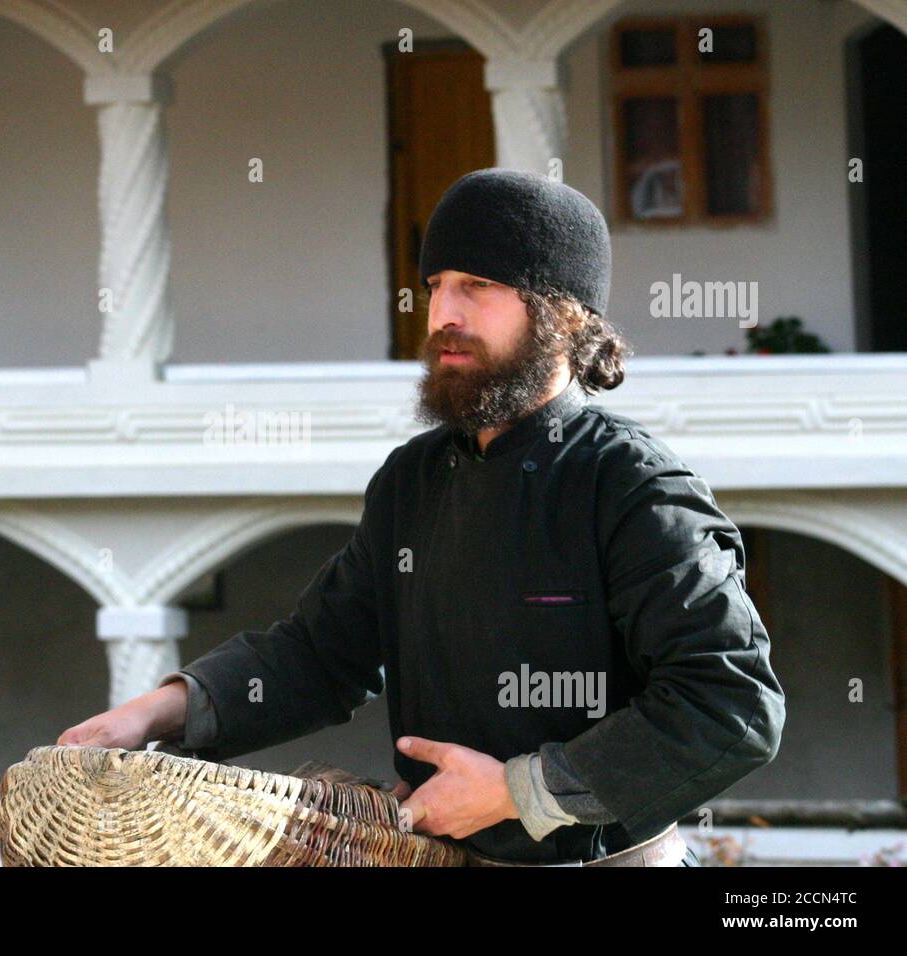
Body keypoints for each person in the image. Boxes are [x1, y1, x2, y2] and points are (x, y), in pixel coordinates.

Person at [60, 168, 785, 866]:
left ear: (565, 315)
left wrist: (517, 792)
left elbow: (730, 703)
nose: (444, 316)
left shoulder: (629, 483)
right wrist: (153, 713)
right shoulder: (413, 480)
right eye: (436, 286)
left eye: (478, 287)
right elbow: (319, 654)